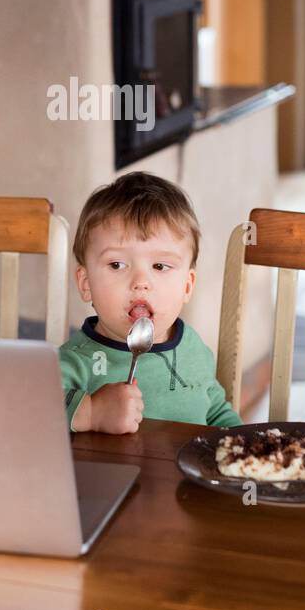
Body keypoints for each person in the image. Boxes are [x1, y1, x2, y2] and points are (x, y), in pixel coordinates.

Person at [59, 172, 243, 434]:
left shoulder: (192, 347)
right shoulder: (76, 361)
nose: (141, 282)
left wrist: (240, 441)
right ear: (86, 283)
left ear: (187, 286)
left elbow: (214, 410)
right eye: (117, 264)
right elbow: (28, 412)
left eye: (160, 266)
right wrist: (91, 412)